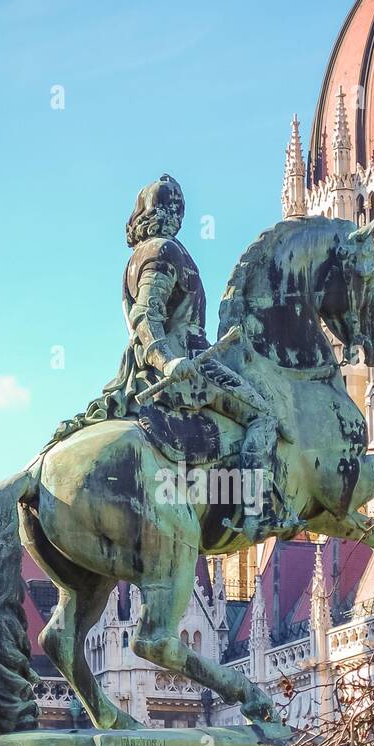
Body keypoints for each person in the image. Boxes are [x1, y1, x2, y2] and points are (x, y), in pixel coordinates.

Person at [54, 174, 300, 542]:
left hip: (177, 361)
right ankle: (256, 511)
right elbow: (145, 316)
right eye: (174, 209)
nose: (178, 217)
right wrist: (168, 360)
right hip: (190, 367)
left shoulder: (147, 253)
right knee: (262, 416)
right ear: (159, 212)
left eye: (179, 210)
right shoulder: (163, 252)